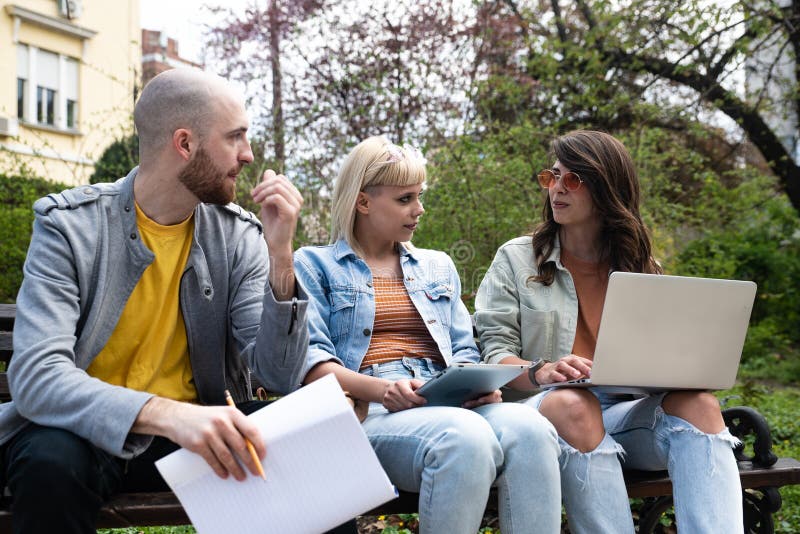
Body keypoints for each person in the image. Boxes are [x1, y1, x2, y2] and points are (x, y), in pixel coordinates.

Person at [0, 68, 311, 533]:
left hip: (190, 437)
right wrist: (169, 415)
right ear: (184, 144)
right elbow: (37, 376)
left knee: (301, 435)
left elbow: (278, 372)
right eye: (235, 138)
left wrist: (281, 255)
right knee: (50, 460)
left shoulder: (238, 236)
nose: (248, 155)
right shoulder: (70, 227)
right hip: (83, 433)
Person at [475, 129, 744, 533]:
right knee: (574, 405)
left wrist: (680, 369)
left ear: (605, 188)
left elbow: (660, 352)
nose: (557, 189)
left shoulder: (639, 263)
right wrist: (541, 371)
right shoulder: (517, 258)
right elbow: (493, 353)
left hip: (621, 412)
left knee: (699, 405)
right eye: (553, 176)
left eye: (573, 179)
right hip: (541, 413)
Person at [294, 136, 562, 534]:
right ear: (364, 202)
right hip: (370, 412)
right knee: (465, 440)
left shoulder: (437, 266)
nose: (419, 210)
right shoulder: (313, 264)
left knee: (533, 429)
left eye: (419, 196)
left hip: (445, 401)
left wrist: (476, 384)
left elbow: (462, 350)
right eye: (405, 199)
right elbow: (311, 361)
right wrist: (382, 390)